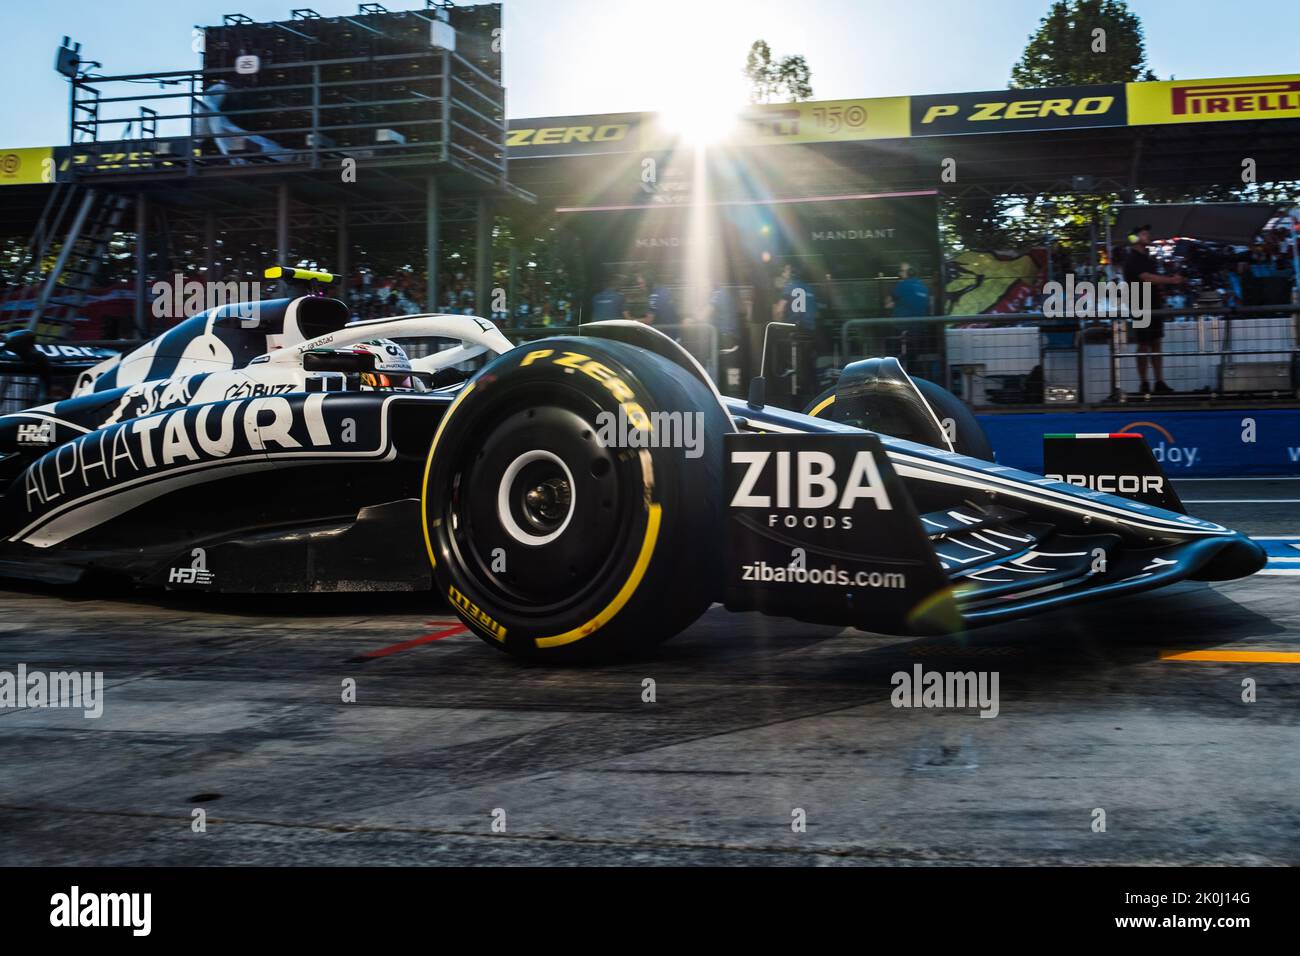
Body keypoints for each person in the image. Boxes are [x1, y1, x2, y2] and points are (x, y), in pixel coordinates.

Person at [1122, 224, 1185, 395]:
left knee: (1156, 342)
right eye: (1143, 233)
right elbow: (1146, 278)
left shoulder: (1148, 257)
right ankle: (1144, 383)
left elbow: (1152, 279)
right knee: (1143, 344)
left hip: (1153, 303)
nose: (1147, 235)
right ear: (1134, 238)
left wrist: (1164, 285)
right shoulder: (1132, 259)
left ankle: (1159, 381)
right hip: (1140, 303)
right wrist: (1170, 281)